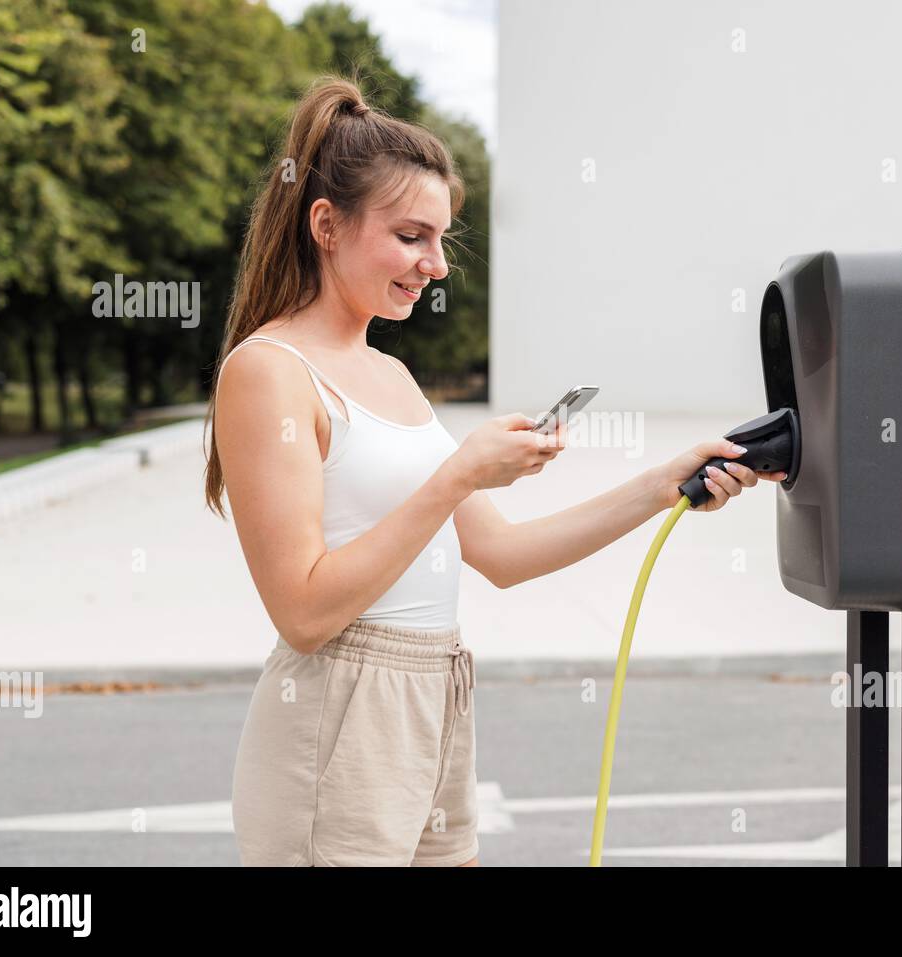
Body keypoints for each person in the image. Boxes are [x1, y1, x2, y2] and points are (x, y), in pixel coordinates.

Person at [203, 76, 788, 867]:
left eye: (442, 239)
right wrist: (456, 476)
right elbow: (303, 611)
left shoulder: (393, 375)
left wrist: (665, 483)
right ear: (326, 225)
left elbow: (502, 556)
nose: (435, 264)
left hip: (437, 692)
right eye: (412, 236)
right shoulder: (267, 371)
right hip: (338, 715)